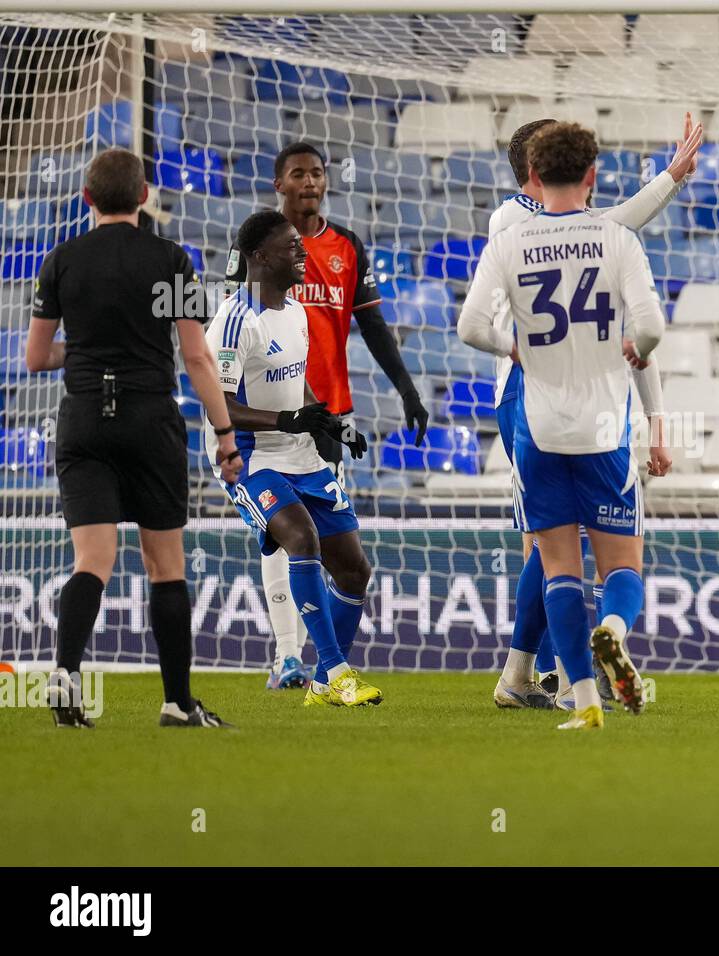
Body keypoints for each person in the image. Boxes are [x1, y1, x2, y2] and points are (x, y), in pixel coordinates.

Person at [458, 122, 666, 730]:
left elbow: (470, 327)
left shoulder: (510, 240)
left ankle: (584, 702)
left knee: (557, 567)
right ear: (593, 175)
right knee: (623, 567)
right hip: (604, 426)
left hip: (538, 425)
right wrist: (631, 349)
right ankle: (612, 629)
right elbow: (651, 328)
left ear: (532, 176)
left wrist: (512, 347)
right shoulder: (616, 238)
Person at [26, 147, 242, 729]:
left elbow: (37, 356)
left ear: (87, 199)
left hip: (85, 419)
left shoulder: (61, 259)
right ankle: (176, 702)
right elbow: (196, 356)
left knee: (91, 560)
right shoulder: (175, 259)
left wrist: (89, 354)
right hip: (150, 418)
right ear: (144, 197)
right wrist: (225, 436)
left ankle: (66, 671)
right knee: (165, 565)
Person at [223, 141, 428, 691]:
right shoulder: (252, 260)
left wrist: (406, 390)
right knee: (287, 535)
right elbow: (227, 340)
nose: (310, 182)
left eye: (317, 173)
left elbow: (375, 327)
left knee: (333, 551)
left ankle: (321, 666)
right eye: (299, 174)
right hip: (265, 429)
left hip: (324, 417)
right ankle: (289, 656)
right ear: (280, 185)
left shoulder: (345, 247)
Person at [209, 209, 379, 707]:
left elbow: (297, 385)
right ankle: (337, 673)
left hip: (301, 454)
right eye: (291, 247)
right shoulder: (234, 318)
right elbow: (221, 405)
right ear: (260, 257)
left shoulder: (297, 311)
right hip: (249, 458)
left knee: (353, 570)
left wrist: (326, 420)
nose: (303, 253)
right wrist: (284, 422)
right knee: (301, 538)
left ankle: (326, 686)